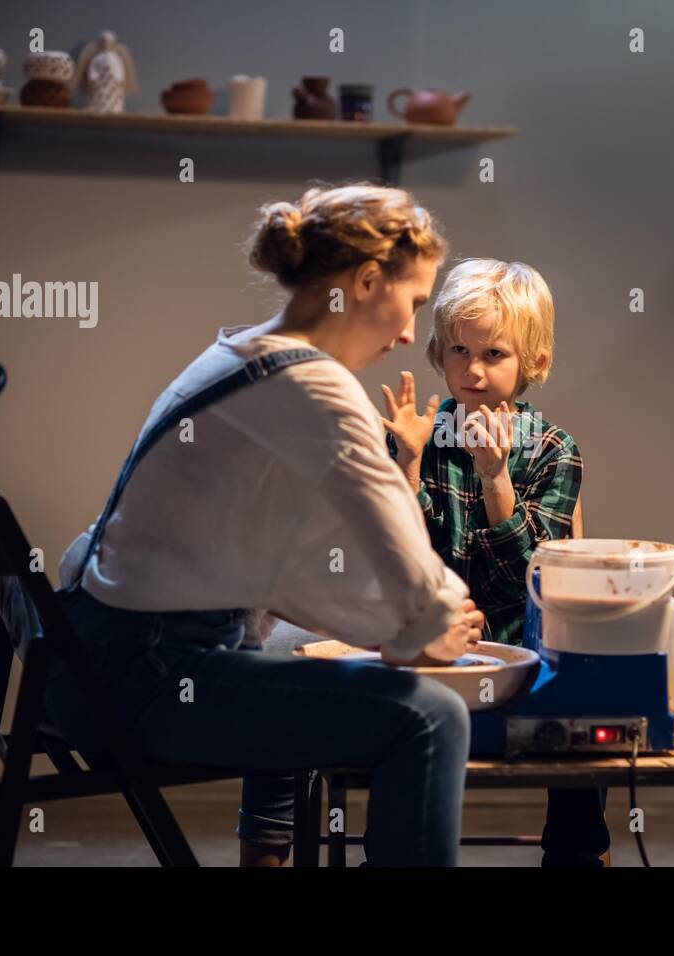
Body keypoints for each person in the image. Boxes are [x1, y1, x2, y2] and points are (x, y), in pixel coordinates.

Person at [44, 183, 484, 867]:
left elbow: (302, 562)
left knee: (307, 647)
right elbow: (418, 588)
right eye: (415, 306)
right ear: (368, 281)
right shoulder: (315, 384)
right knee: (432, 716)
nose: (407, 336)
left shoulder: (244, 351)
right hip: (141, 678)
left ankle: (267, 857)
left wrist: (405, 624)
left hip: (87, 657)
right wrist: (431, 623)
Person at [381, 258, 610, 867]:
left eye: (495, 354)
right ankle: (392, 854)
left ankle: (577, 854)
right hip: (432, 653)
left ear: (533, 363)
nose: (473, 370)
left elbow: (532, 576)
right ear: (437, 352)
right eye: (459, 349)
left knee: (582, 706)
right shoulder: (420, 437)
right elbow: (399, 559)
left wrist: (494, 475)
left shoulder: (555, 449)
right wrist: (405, 465)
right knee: (381, 715)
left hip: (525, 653)